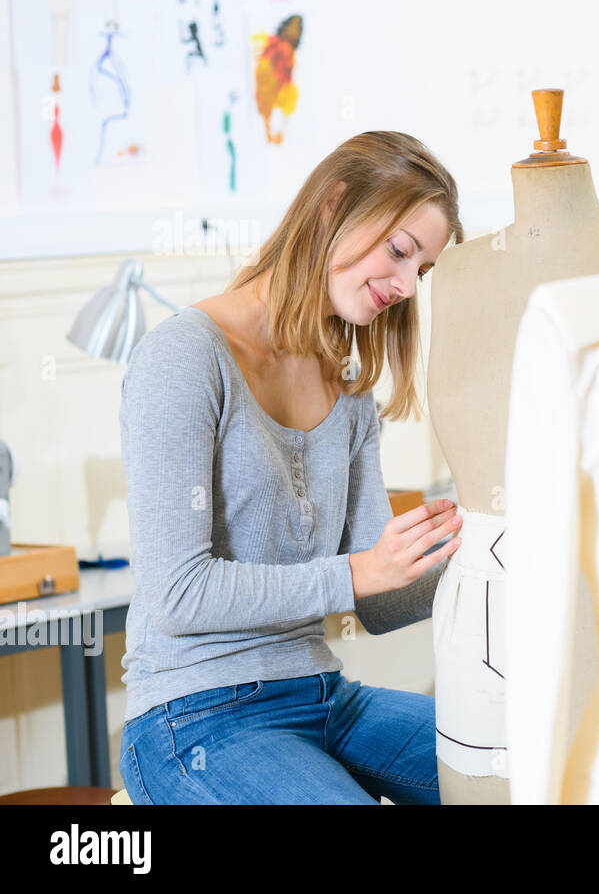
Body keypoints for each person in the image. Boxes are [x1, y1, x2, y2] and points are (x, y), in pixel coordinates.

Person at [119, 131, 465, 803]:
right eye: (399, 250)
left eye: (420, 271)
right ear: (334, 205)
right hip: (193, 716)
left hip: (324, 699)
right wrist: (360, 570)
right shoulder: (185, 358)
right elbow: (179, 594)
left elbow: (380, 602)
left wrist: (487, 548)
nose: (403, 285)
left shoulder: (347, 384)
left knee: (531, 764)